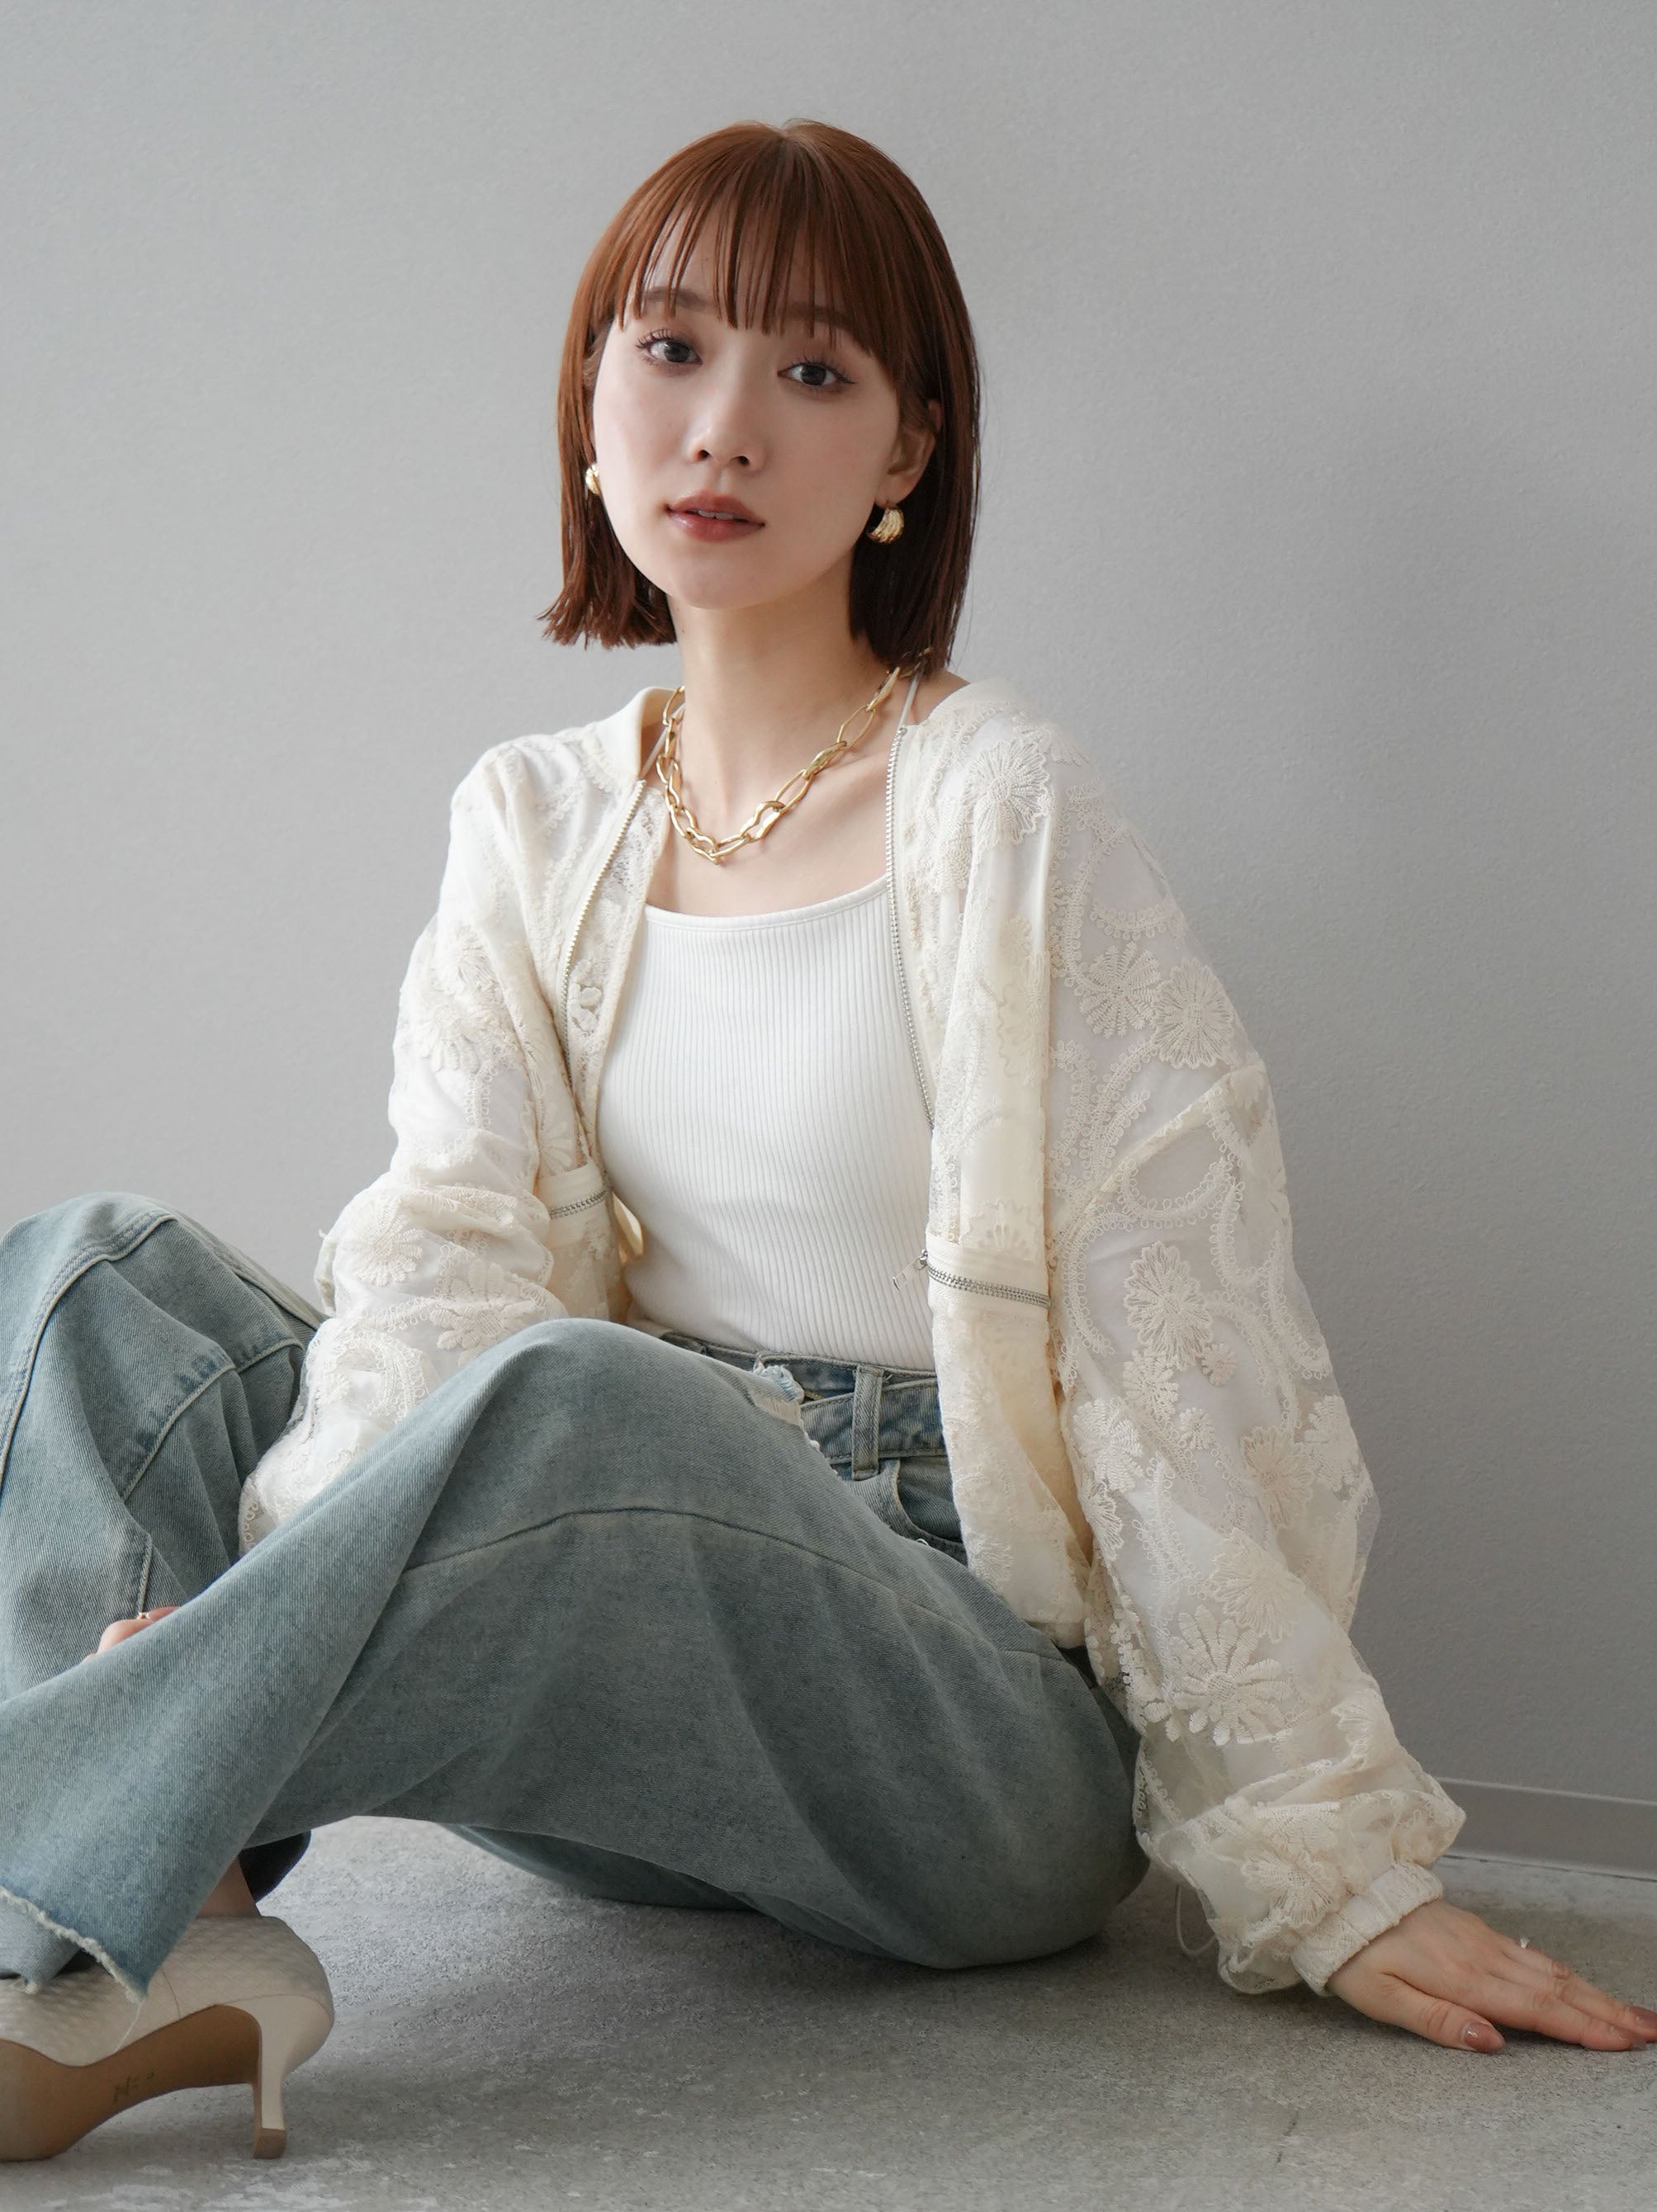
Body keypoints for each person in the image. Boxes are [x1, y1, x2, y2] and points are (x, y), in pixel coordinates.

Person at [3, 116, 1653, 2168]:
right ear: (589, 400)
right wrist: (275, 1587)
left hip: (952, 1736)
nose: (722, 424)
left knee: (585, 1398)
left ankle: (63, 1833)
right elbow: (442, 1262)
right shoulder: (530, 818)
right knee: (88, 1278)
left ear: (904, 451)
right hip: (620, 1726)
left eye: (808, 369)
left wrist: (1328, 1866)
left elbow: (1177, 1345)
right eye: (669, 348)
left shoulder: (1004, 806)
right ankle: (125, 1945)